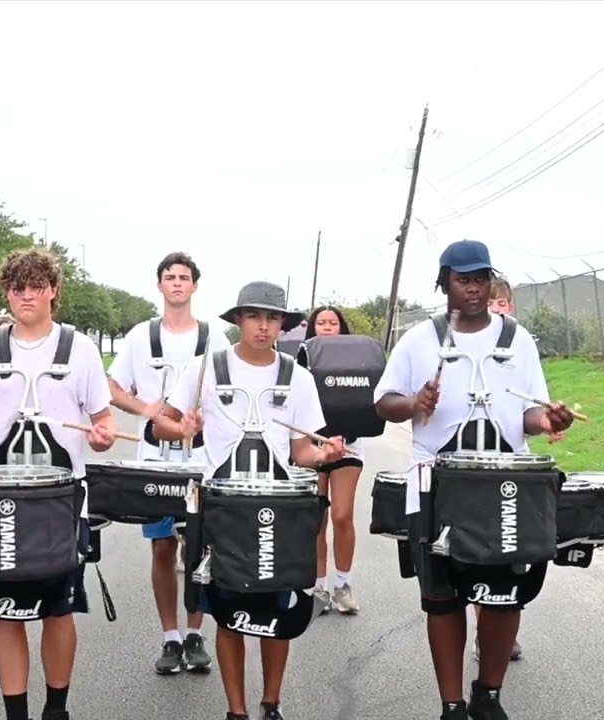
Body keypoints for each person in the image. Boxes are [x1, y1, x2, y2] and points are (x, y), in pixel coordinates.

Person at [373, 240, 575, 720]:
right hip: (435, 483)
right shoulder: (420, 339)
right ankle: (451, 705)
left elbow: (528, 412)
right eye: (463, 279)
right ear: (444, 283)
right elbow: (384, 402)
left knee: (503, 595)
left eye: (481, 279)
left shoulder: (517, 339)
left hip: (505, 486)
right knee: (443, 599)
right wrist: (415, 404)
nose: (474, 288)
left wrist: (547, 423)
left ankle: (488, 695)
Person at [0, 247, 118, 720]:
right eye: (18, 288)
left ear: (54, 291)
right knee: (5, 610)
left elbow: (102, 422)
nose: (27, 295)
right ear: (8, 293)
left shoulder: (79, 348)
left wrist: (101, 436)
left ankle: (56, 709)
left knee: (60, 609)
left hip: (61, 500)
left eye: (37, 286)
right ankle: (15, 712)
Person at [154, 280, 346, 720]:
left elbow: (301, 452)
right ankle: (236, 709)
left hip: (277, 507)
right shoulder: (206, 368)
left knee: (277, 603)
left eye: (273, 318)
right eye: (255, 316)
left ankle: (271, 703)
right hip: (221, 505)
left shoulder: (297, 376)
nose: (264, 326)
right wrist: (183, 428)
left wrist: (324, 455)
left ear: (283, 324)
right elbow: (161, 424)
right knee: (228, 608)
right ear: (239, 319)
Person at [107, 251, 228, 676]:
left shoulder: (216, 338)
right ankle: (170, 637)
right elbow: (112, 385)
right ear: (159, 285)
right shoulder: (142, 335)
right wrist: (145, 410)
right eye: (169, 277)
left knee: (197, 547)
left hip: (202, 460)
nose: (177, 283)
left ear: (195, 285)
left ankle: (196, 634)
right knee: (162, 547)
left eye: (184, 277)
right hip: (155, 460)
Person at [303, 305, 363, 615]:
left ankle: (343, 585)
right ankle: (318, 587)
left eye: (333, 322)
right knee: (316, 518)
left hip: (347, 445)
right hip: (309, 447)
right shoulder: (300, 361)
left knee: (341, 515)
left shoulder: (357, 362)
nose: (327, 327)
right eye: (321, 323)